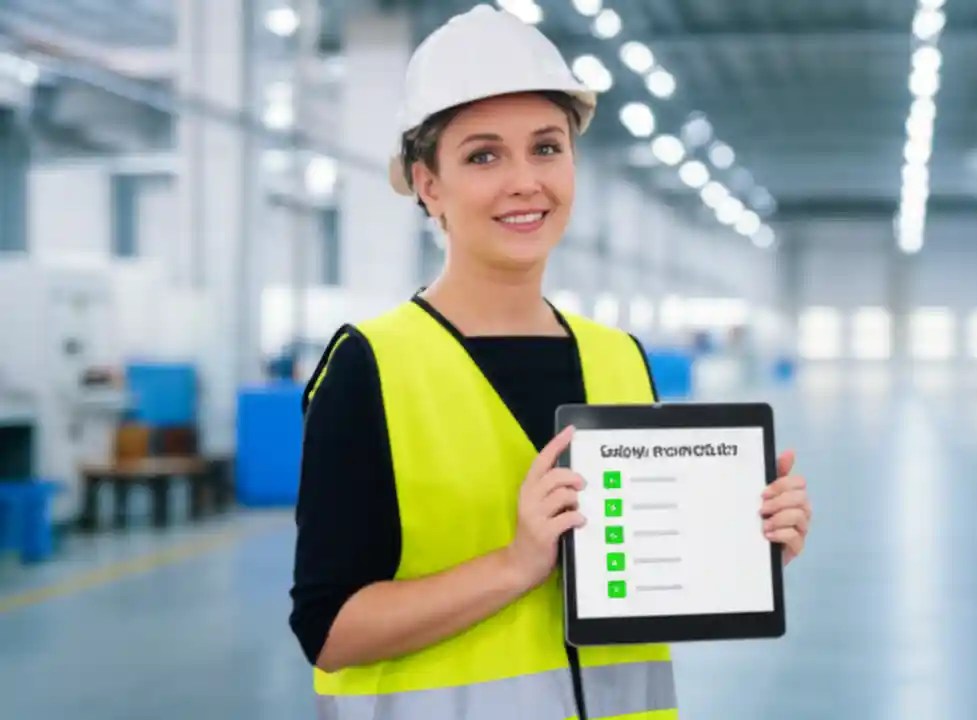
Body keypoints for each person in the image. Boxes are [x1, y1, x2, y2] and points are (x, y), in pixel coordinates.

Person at [287, 7, 813, 720]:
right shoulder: (371, 367)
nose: (525, 181)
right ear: (428, 185)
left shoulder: (618, 357)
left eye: (546, 147)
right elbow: (329, 631)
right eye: (483, 156)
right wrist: (514, 564)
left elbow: (636, 574)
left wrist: (741, 548)